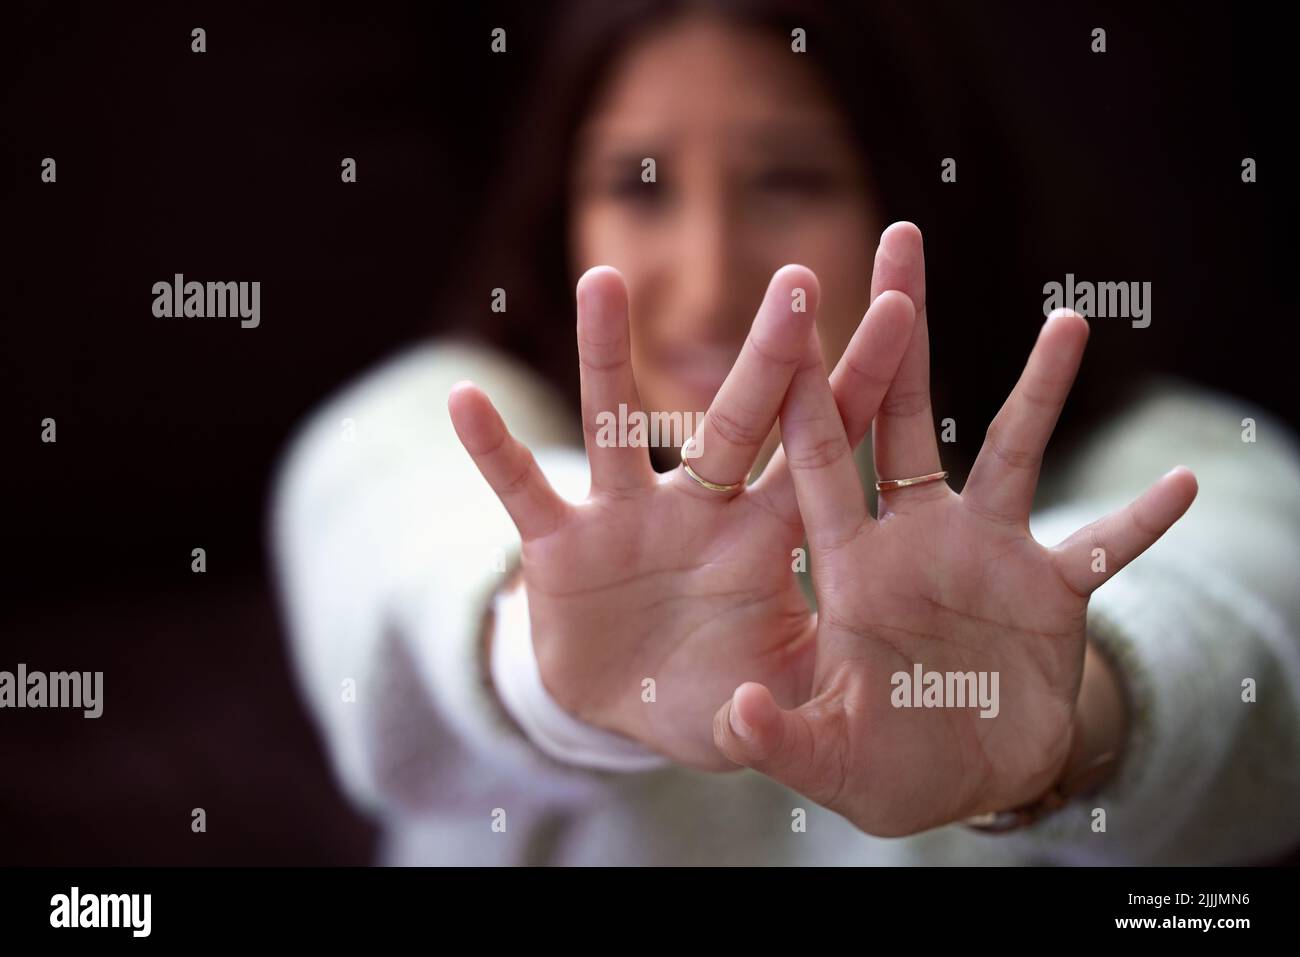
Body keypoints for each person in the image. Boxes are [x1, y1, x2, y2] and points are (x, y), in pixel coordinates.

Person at [270, 2, 1300, 864]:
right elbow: (401, 547)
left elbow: (1254, 611)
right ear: (560, 215)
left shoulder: (1164, 449)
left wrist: (1069, 715)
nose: (711, 283)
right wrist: (551, 665)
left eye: (790, 181)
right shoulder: (434, 417)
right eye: (638, 183)